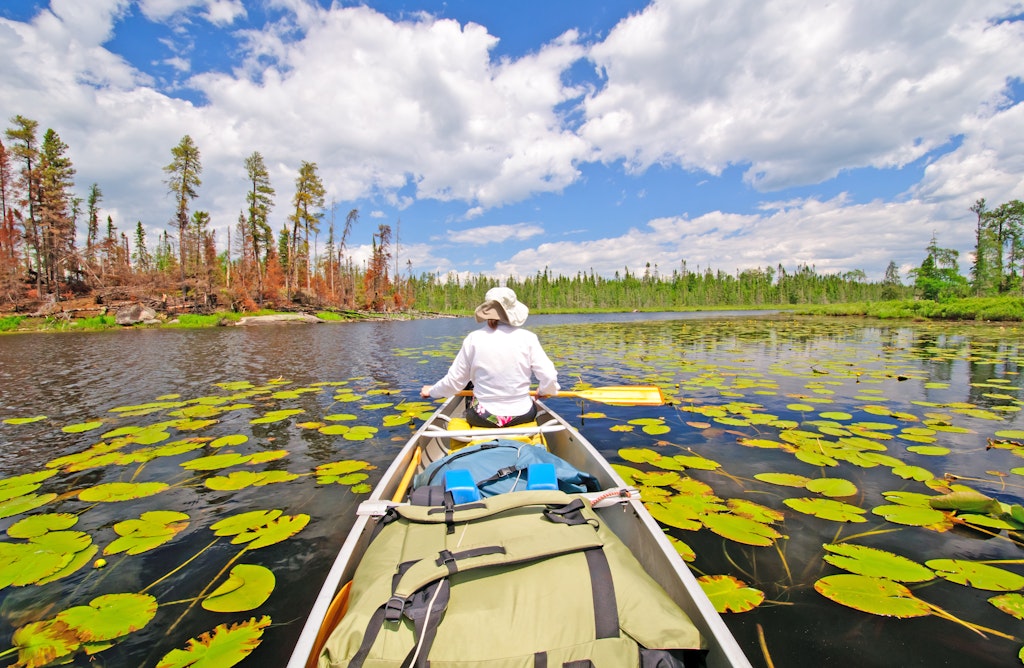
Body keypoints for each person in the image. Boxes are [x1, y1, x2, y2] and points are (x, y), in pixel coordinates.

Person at [421, 287, 559, 427]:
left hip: (484, 416)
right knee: (529, 405)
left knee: (471, 396)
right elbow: (549, 376)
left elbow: (454, 382)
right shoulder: (529, 338)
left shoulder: (473, 339)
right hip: (522, 415)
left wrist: (431, 391)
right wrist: (543, 391)